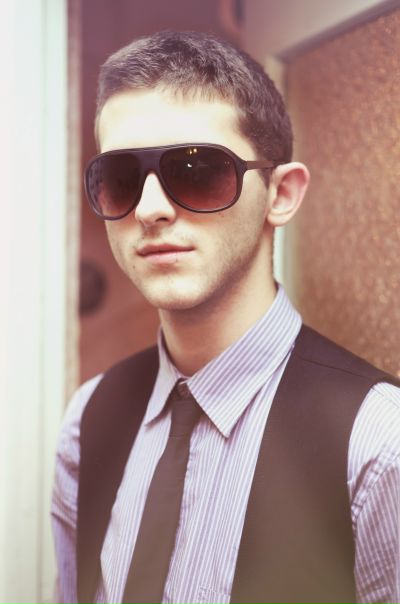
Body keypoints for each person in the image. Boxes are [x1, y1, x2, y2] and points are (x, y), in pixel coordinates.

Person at [52, 30, 400, 604]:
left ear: (280, 194)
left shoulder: (379, 444)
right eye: (121, 179)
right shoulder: (88, 419)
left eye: (197, 170)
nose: (151, 210)